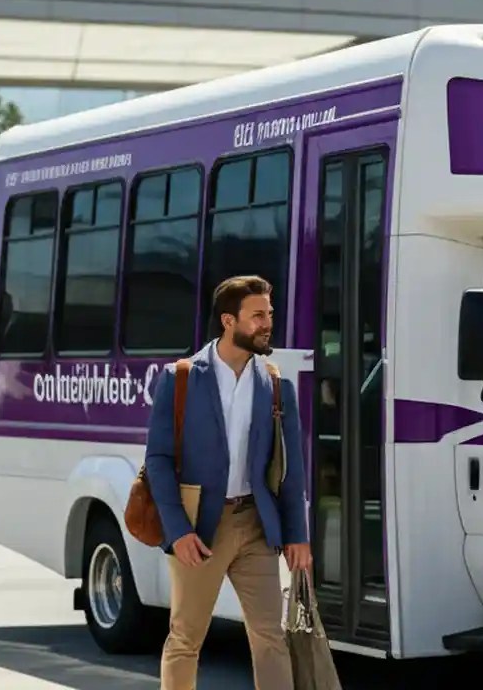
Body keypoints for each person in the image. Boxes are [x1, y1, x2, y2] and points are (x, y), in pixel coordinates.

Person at [144, 274, 311, 690]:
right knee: (186, 639)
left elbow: (290, 469)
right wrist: (178, 531)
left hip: (256, 525)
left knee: (271, 637)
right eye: (257, 316)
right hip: (201, 528)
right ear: (228, 321)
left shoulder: (275, 385)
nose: (267, 323)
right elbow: (159, 461)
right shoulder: (180, 379)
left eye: (269, 314)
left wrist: (297, 535)